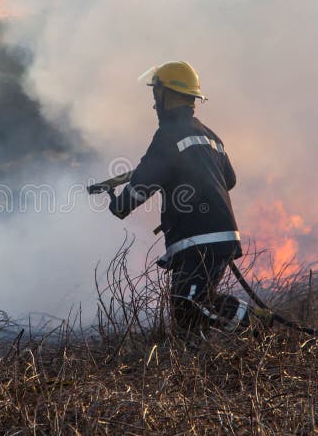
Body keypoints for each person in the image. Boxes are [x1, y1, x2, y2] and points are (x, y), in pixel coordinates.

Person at [107, 61, 267, 335]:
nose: (155, 103)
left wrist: (120, 204)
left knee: (190, 306)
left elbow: (145, 180)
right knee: (188, 310)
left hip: (198, 237)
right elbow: (229, 179)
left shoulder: (168, 135)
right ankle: (229, 343)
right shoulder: (209, 135)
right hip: (219, 234)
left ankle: (252, 325)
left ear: (167, 95)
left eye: (156, 94)